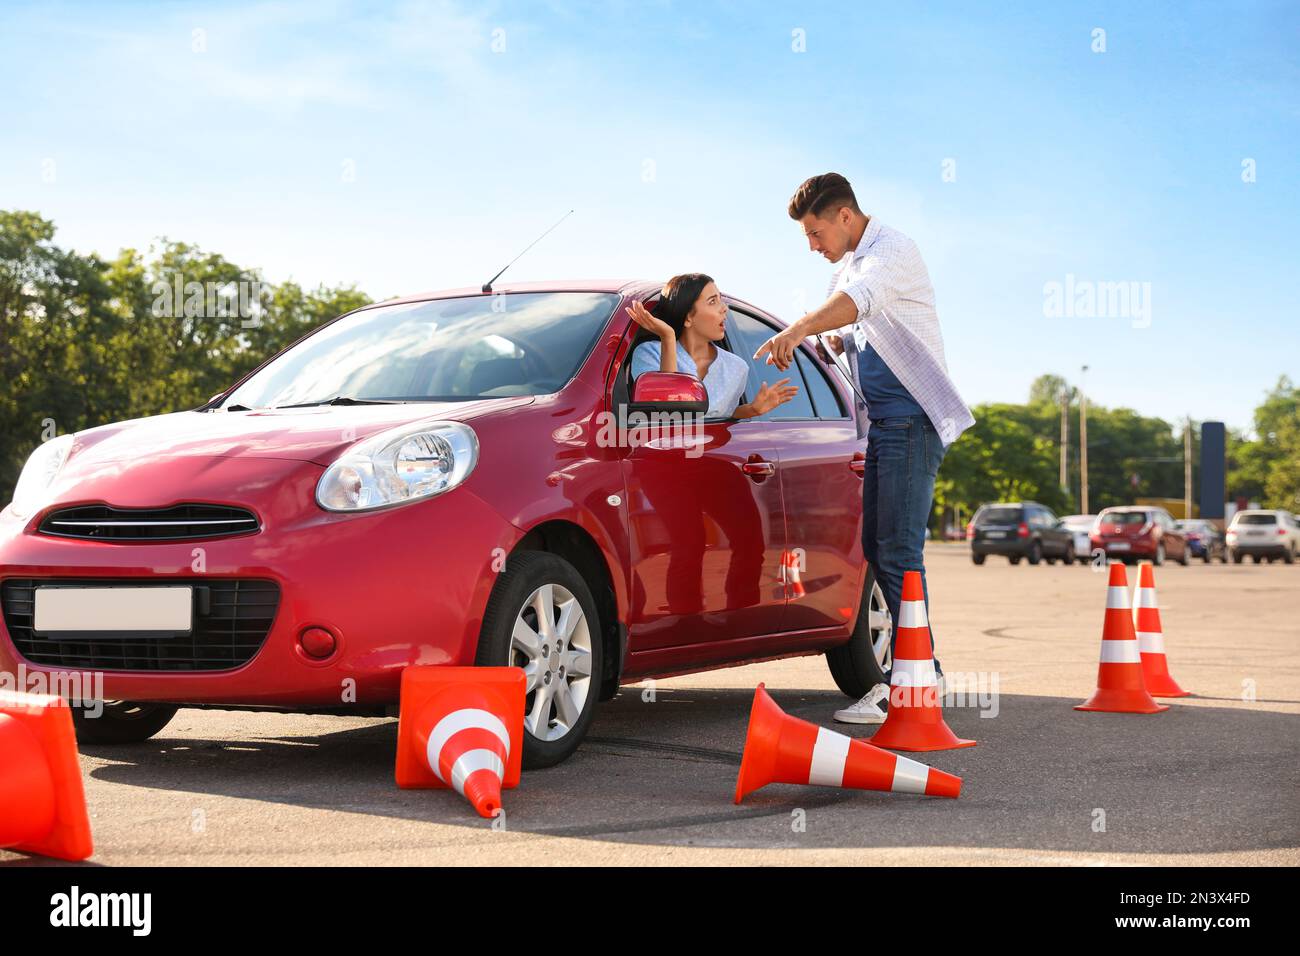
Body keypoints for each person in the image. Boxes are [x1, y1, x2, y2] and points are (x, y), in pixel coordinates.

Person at [753, 173, 975, 724]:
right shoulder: (847, 265)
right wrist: (838, 338)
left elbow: (861, 301)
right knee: (881, 552)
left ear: (845, 216)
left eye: (815, 230)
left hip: (911, 422)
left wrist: (801, 330)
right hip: (884, 427)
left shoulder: (891, 249)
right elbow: (859, 319)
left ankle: (917, 680)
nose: (812, 244)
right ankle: (910, 676)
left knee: (899, 553)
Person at [628, 273, 798, 419]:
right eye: (712, 301)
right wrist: (668, 338)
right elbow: (668, 412)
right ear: (688, 318)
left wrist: (752, 410)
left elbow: (721, 416)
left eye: (721, 300)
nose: (724, 309)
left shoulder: (736, 367)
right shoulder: (649, 353)